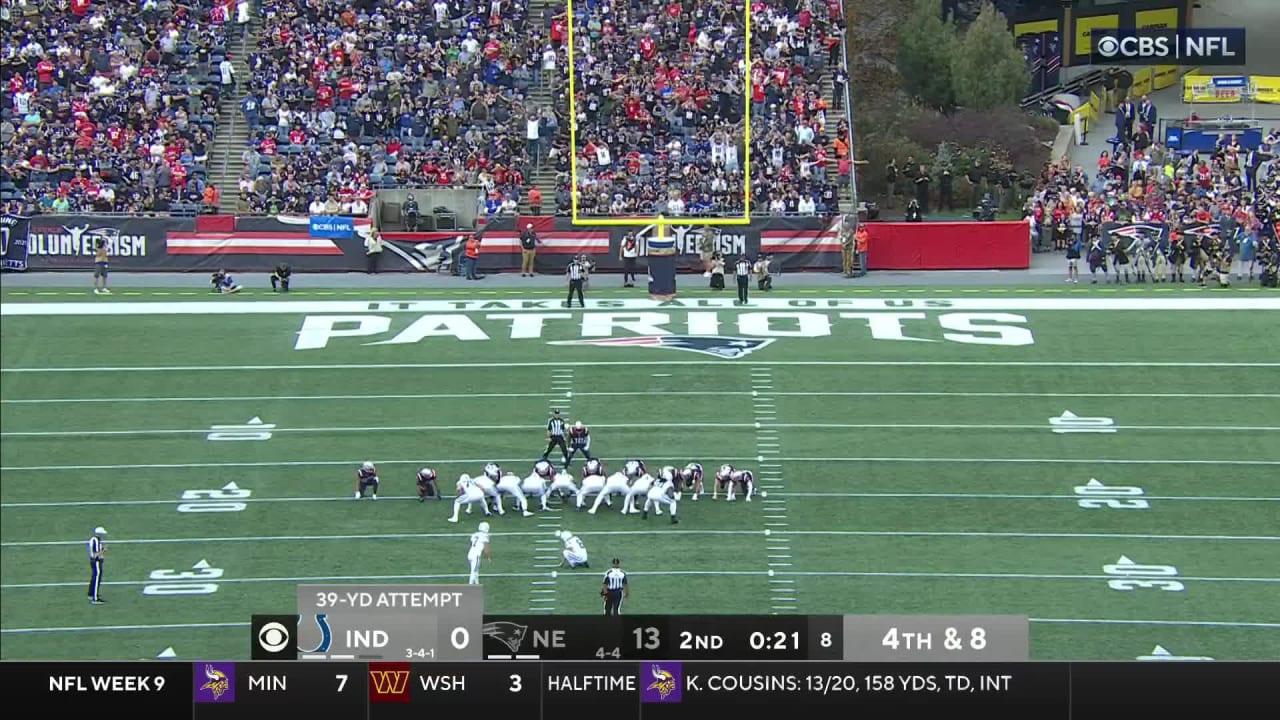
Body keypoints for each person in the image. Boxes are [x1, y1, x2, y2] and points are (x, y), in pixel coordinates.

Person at [87, 526, 107, 604]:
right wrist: (103, 550)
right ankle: (95, 598)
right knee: (97, 578)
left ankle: (91, 594)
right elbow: (95, 555)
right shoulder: (95, 541)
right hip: (96, 562)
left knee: (94, 577)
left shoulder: (95, 540)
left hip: (95, 561)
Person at [467, 521, 491, 585]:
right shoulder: (485, 536)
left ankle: (477, 583)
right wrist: (488, 557)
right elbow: (486, 549)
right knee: (473, 571)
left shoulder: (474, 534)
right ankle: (470, 586)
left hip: (470, 554)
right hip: (476, 555)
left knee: (476, 570)